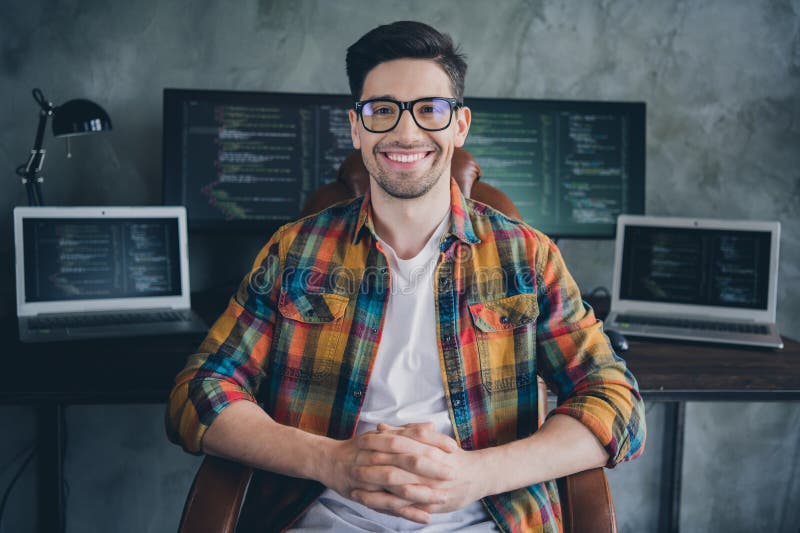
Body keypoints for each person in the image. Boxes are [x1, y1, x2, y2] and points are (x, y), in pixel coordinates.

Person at [167, 20, 646, 532]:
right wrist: (328, 460)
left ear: (459, 125)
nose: (406, 131)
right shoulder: (295, 251)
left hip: (488, 518)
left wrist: (475, 475)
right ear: (356, 128)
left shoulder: (528, 257)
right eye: (382, 110)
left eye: (429, 109)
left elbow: (615, 401)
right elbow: (200, 390)